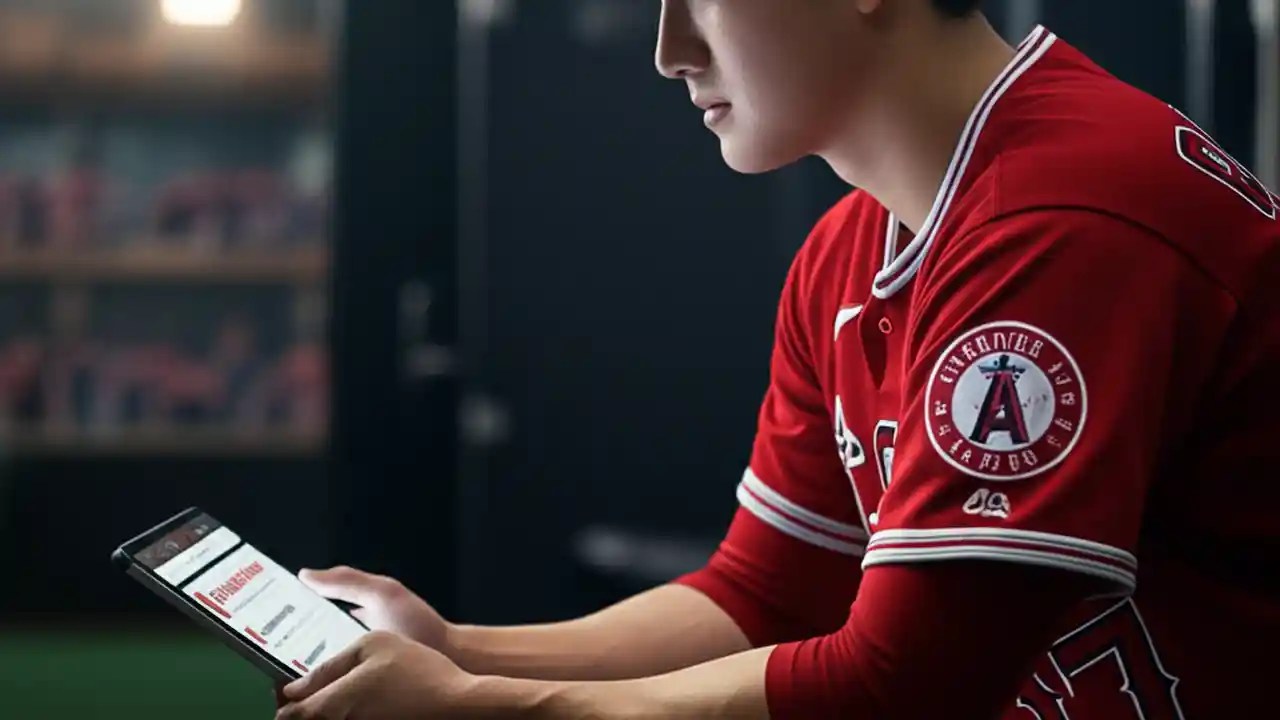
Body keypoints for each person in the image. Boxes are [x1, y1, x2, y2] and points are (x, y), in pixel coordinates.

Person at [277, 0, 1279, 718]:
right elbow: (761, 596)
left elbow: (900, 682)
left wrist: (486, 708)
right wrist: (453, 648)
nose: (669, 48)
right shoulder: (855, 244)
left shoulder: (1057, 217)